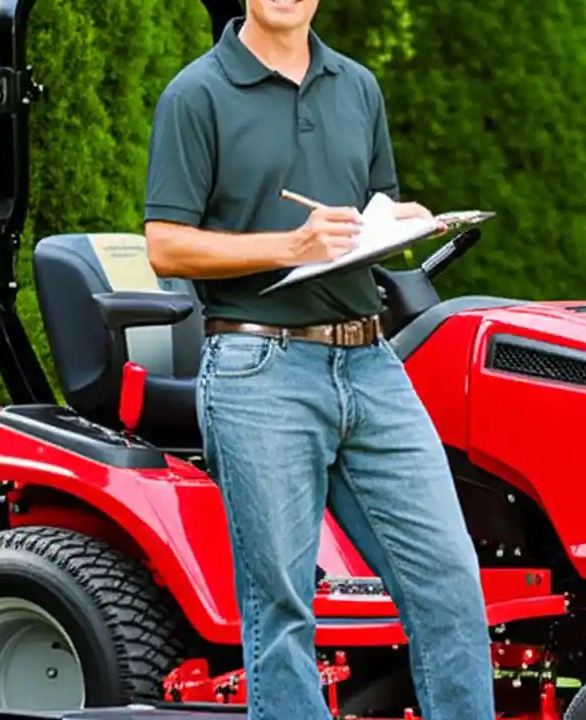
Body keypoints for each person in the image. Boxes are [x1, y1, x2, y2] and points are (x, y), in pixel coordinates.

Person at [142, 1, 496, 719]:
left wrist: (400, 220)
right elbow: (166, 246)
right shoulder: (197, 93)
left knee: (451, 584)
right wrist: (289, 246)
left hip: (371, 365)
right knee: (282, 608)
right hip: (257, 369)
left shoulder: (357, 86)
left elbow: (373, 204)